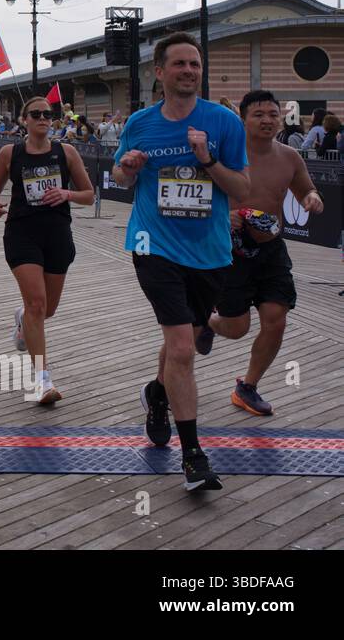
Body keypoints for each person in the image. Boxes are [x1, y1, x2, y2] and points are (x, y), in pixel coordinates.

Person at [113, 32, 249, 493]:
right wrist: (127, 168)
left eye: (195, 64)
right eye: (180, 64)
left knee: (182, 343)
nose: (189, 71)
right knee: (184, 348)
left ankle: (157, 395)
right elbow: (117, 175)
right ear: (161, 72)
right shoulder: (141, 123)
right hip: (154, 245)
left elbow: (244, 189)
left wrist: (207, 158)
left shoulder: (223, 122)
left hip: (210, 253)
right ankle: (192, 456)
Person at [201, 92, 324, 416]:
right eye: (259, 114)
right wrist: (220, 216)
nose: (267, 120)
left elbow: (305, 189)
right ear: (243, 119)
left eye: (273, 114)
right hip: (231, 250)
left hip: (271, 248)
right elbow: (200, 197)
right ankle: (209, 324)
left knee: (276, 320)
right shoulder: (225, 155)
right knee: (238, 326)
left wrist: (312, 198)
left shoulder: (289, 156)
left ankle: (248, 387)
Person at [0, 96, 96, 405]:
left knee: (46, 310)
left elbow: (89, 195)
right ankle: (42, 379)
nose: (43, 118)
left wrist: (66, 193)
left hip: (57, 234)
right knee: (36, 304)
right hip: (22, 233)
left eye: (48, 114)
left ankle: (22, 319)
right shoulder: (10, 153)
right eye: (36, 114)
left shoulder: (67, 152)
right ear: (24, 120)